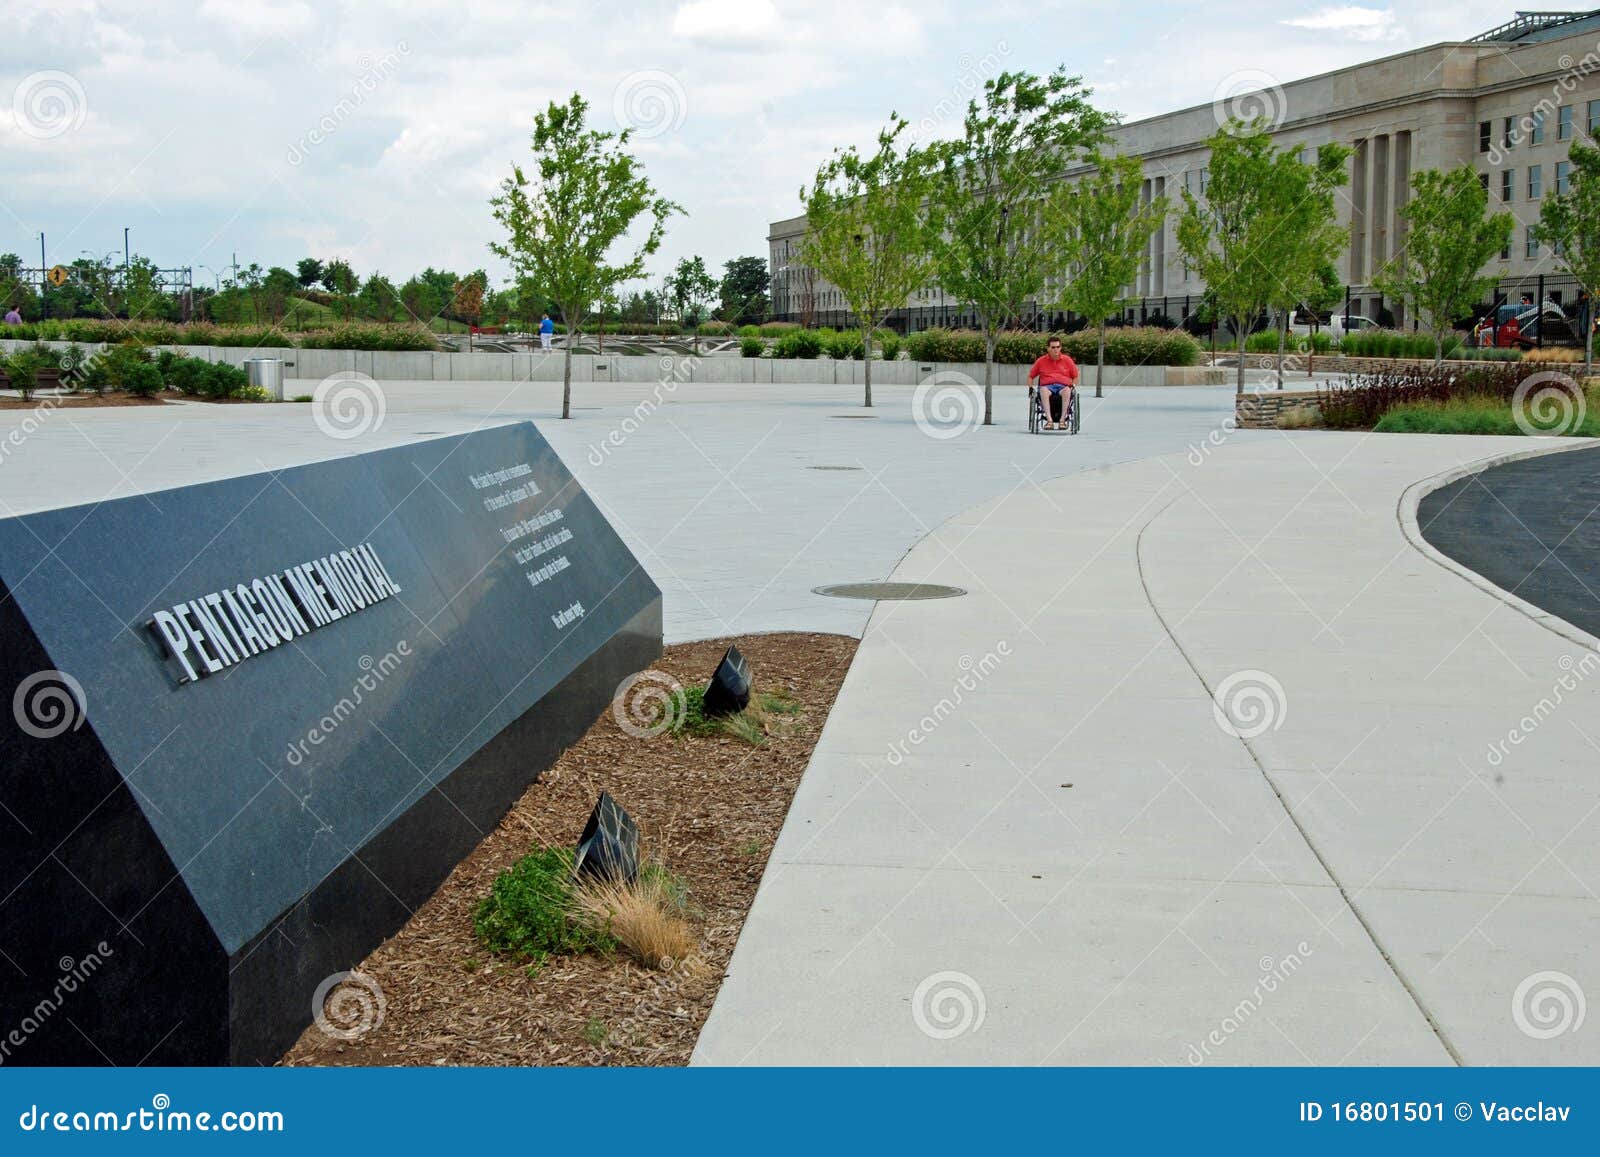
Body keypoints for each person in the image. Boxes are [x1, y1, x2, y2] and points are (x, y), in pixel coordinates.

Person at [1028, 335, 1079, 429]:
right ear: (1048, 348)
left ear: (1061, 347)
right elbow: (1031, 376)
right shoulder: (1041, 361)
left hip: (1063, 387)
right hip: (1047, 387)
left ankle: (1062, 421)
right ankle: (1049, 421)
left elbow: (1075, 376)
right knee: (1043, 390)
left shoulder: (1067, 360)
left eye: (1058, 347)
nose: (1056, 349)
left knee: (1067, 390)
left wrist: (1073, 385)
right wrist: (1031, 388)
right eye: (1053, 347)